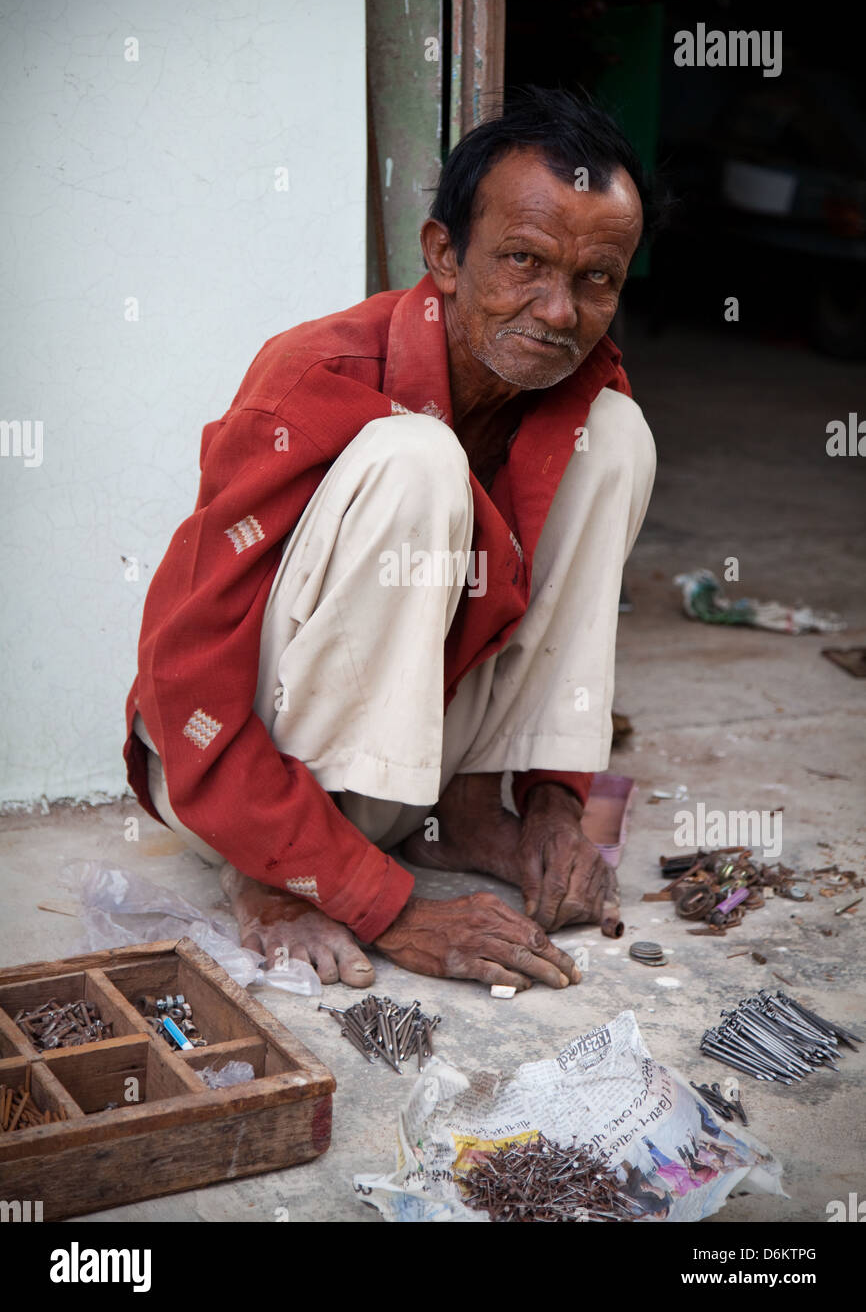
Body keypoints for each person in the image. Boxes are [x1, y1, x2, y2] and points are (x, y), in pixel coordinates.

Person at [124, 87, 659, 993]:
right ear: (443, 256)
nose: (560, 312)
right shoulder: (315, 376)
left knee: (615, 435)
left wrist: (560, 801)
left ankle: (463, 806)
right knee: (418, 457)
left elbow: (555, 624)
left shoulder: (578, 384)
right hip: (232, 777)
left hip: (407, 778)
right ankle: (278, 872)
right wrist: (388, 907)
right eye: (523, 261)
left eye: (595, 279)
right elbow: (186, 683)